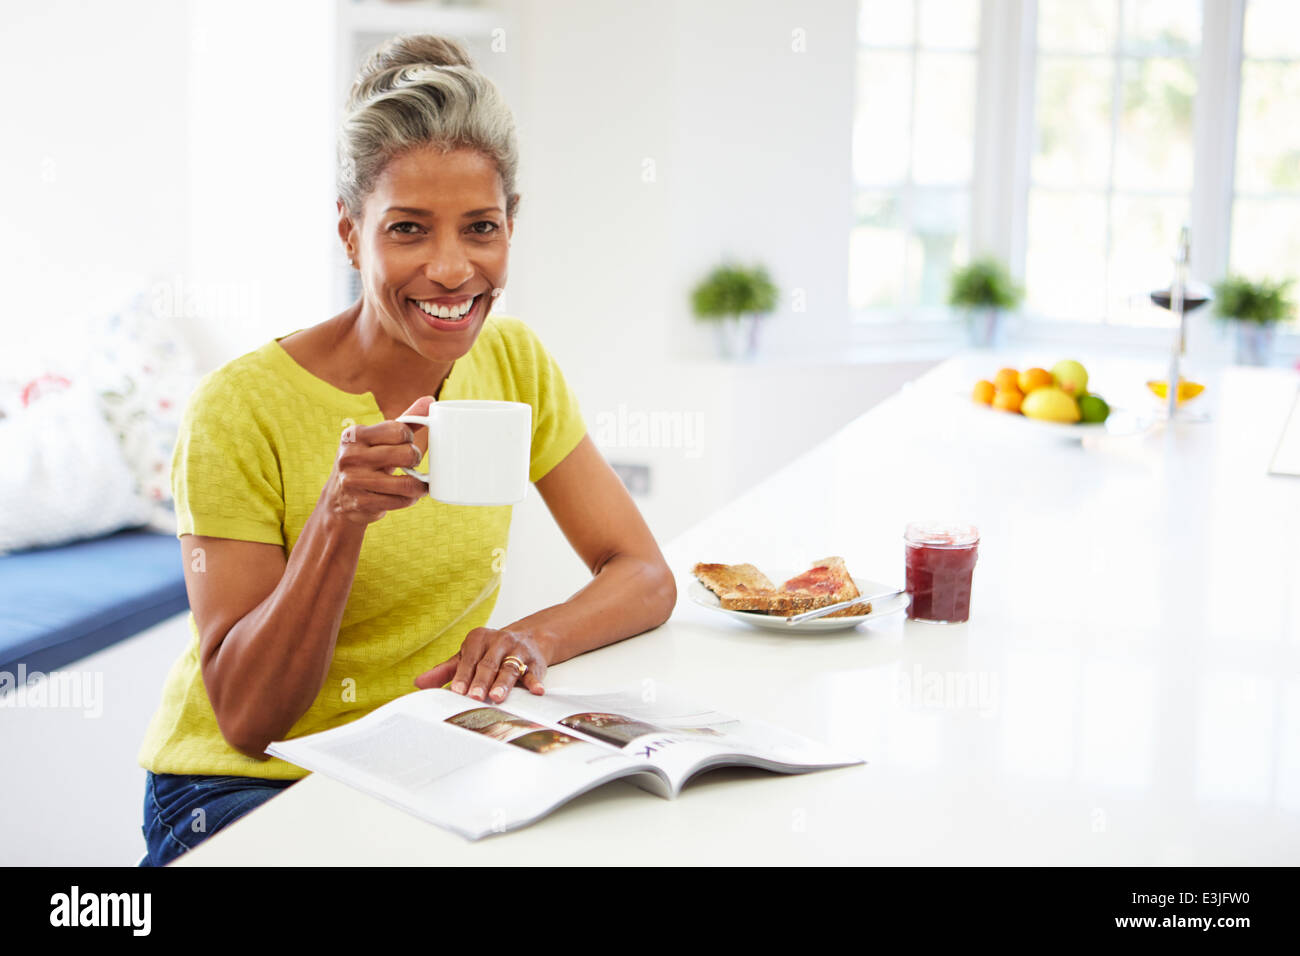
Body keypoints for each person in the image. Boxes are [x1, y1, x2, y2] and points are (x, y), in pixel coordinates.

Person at [137, 34, 676, 866]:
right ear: (352, 236)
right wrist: (336, 522)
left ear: (511, 225)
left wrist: (532, 640)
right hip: (242, 789)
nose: (453, 269)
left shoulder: (513, 361)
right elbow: (247, 719)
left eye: (481, 228)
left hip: (421, 757)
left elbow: (642, 573)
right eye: (409, 230)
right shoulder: (240, 407)